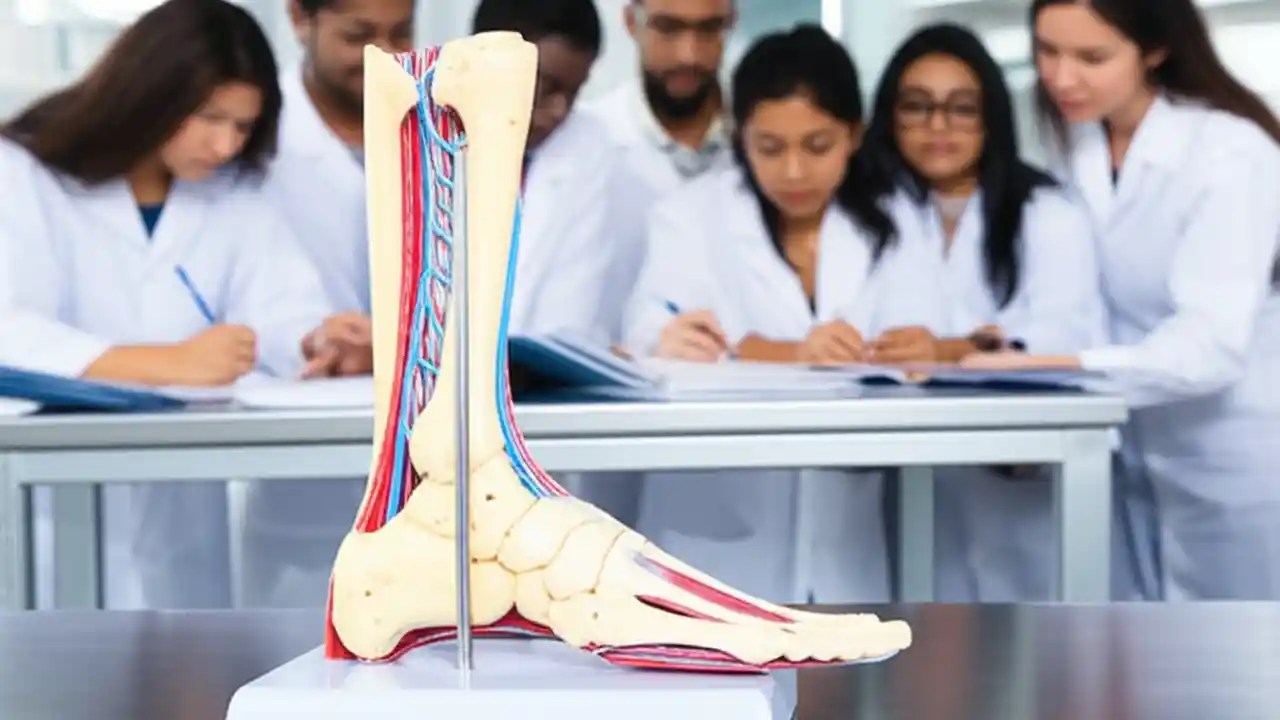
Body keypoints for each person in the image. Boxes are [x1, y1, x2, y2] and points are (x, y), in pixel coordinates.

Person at [0, 0, 363, 609]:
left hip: (182, 512)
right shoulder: (25, 171)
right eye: (207, 117)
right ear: (147, 94)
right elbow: (9, 332)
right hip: (49, 508)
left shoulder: (233, 189)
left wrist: (319, 341)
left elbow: (276, 306)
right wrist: (166, 362)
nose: (224, 144)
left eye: (243, 126)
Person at [968, 0, 1280, 601]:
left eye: (1092, 57)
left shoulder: (1230, 152)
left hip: (1240, 456)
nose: (1061, 78)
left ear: (1156, 50)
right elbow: (1085, 288)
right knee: (1155, 669)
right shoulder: (1075, 139)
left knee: (1252, 672)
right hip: (1135, 451)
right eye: (1047, 51)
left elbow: (1209, 345)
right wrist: (1019, 341)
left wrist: (1056, 371)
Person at [622, 25, 888, 604]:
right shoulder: (689, 218)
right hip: (719, 540)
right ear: (740, 138)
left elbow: (918, 348)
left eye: (817, 146)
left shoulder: (887, 226)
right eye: (770, 147)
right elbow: (649, 336)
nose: (793, 171)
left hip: (846, 542)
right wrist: (673, 338)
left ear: (854, 134)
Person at [843, 24, 1104, 601]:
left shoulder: (1047, 211)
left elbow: (1063, 332)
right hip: (909, 480)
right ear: (889, 116)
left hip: (1021, 485)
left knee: (1039, 664)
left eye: (962, 109)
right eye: (918, 107)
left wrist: (947, 350)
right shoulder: (864, 211)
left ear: (993, 118)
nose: (939, 127)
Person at [240, 0, 412, 610]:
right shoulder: (256, 135)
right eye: (359, 37)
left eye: (401, 33)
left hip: (421, 460)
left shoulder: (432, 122)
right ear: (299, 19)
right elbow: (247, 285)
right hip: (298, 458)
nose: (385, 56)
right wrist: (315, 337)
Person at [471, 0, 618, 343]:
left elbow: (570, 319)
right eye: (545, 87)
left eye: (574, 91)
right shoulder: (416, 137)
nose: (558, 111)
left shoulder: (588, 148)